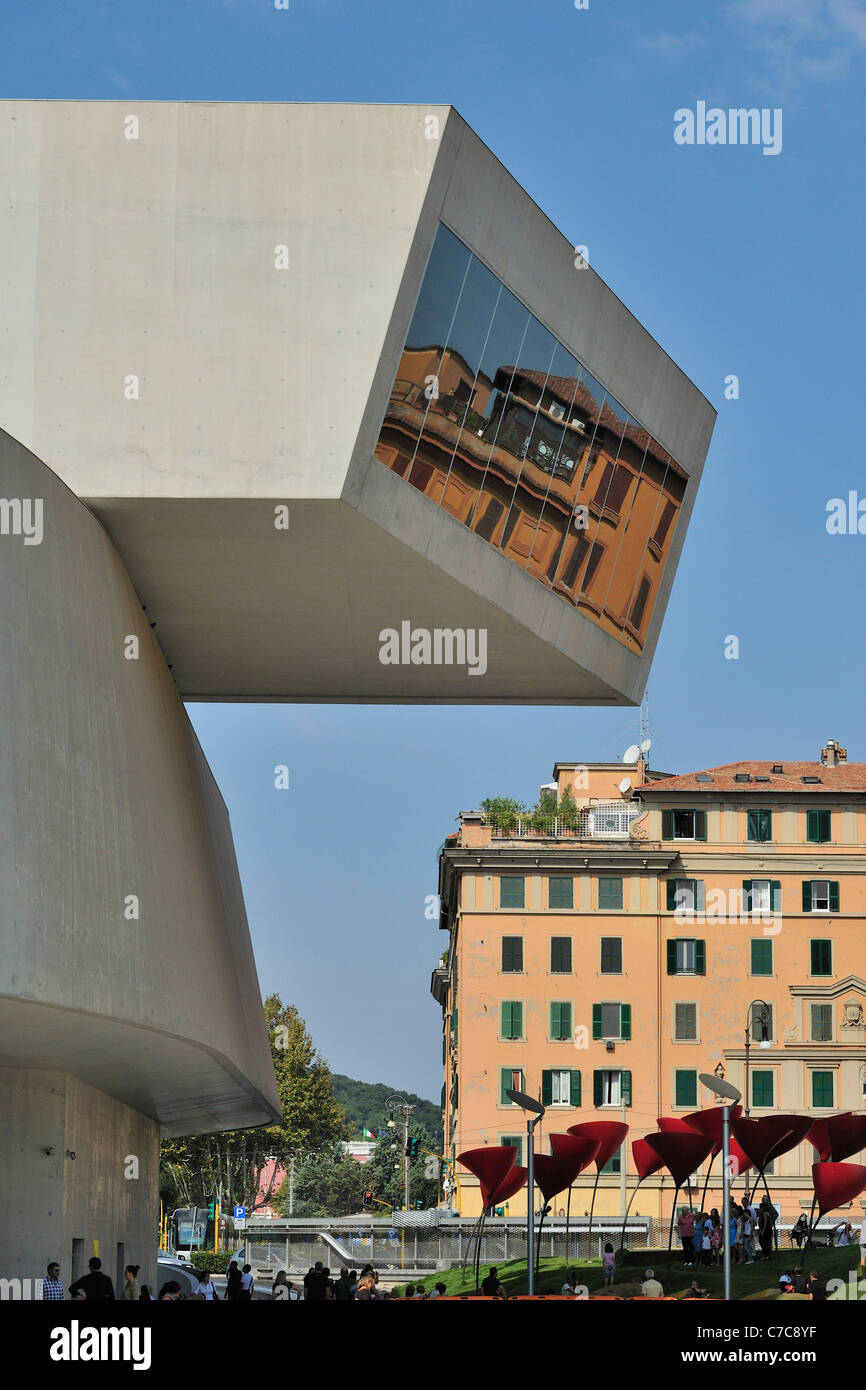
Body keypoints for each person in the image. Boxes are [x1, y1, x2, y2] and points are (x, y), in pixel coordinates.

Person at [758, 1196, 776, 1261]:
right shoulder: (761, 1206)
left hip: (767, 1228)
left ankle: (767, 1255)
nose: (764, 1201)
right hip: (763, 1227)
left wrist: (771, 1220)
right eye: (763, 1199)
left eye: (765, 1200)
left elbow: (775, 1214)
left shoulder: (769, 1207)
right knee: (763, 1242)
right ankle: (766, 1255)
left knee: (766, 1242)